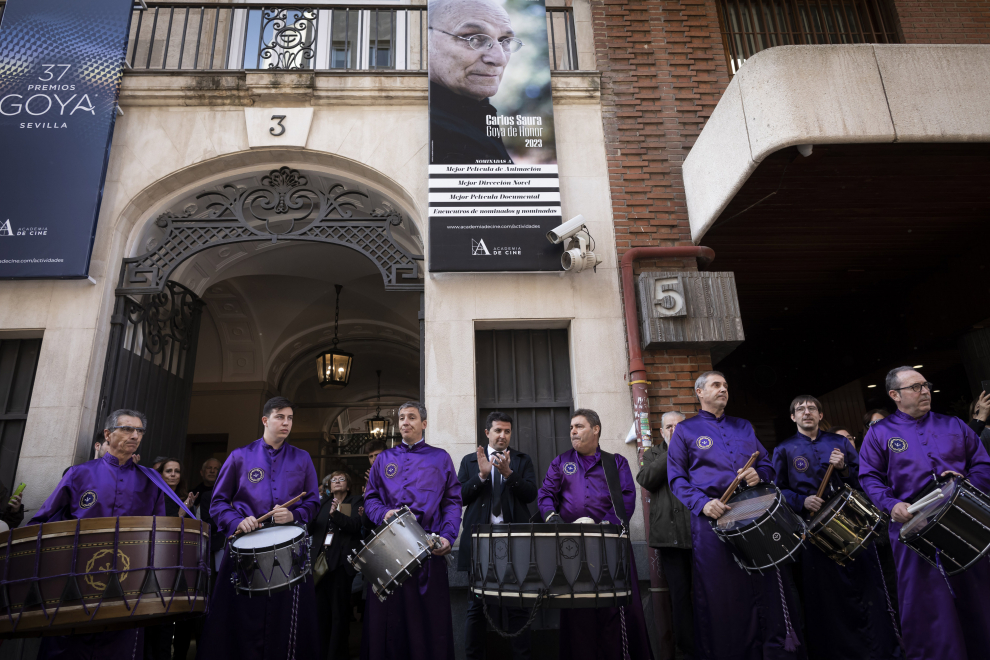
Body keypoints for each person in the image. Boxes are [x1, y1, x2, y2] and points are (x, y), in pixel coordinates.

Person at [30, 409, 192, 660]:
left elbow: (158, 532)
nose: (134, 435)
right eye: (127, 429)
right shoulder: (79, 473)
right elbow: (43, 521)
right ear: (108, 433)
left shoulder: (151, 481)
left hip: (128, 582)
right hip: (77, 581)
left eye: (139, 431)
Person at [667, 371, 804, 660]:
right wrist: (703, 503)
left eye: (726, 385)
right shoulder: (685, 430)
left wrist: (759, 474)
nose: (723, 389)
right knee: (723, 592)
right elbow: (676, 479)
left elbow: (767, 466)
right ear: (699, 392)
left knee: (765, 583)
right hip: (712, 520)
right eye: (716, 385)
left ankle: (773, 651)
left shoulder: (743, 426)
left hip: (753, 512)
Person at [859, 367, 990, 660]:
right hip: (912, 528)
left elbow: (983, 464)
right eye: (916, 387)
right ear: (895, 395)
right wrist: (890, 504)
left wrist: (966, 483)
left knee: (977, 595)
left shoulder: (954, 424)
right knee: (928, 603)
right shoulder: (880, 433)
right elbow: (869, 477)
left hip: (963, 521)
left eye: (926, 385)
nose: (925, 391)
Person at [773, 395, 900, 660]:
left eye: (812, 408)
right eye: (800, 409)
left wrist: (843, 469)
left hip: (852, 523)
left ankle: (877, 648)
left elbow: (864, 479)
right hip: (813, 532)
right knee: (826, 596)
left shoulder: (840, 443)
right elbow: (778, 491)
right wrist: (801, 500)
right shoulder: (784, 449)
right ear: (793, 417)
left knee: (865, 586)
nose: (806, 412)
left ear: (821, 415)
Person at [196, 397, 321, 660]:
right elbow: (218, 503)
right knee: (238, 616)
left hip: (289, 551)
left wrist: (295, 513)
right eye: (280, 417)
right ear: (265, 420)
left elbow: (313, 502)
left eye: (289, 418)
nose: (286, 423)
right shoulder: (239, 456)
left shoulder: (302, 457)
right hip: (244, 547)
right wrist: (236, 521)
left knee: (287, 619)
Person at [538, 409, 652, 660]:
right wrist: (552, 517)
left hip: (611, 546)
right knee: (578, 612)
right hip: (573, 550)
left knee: (617, 608)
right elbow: (546, 494)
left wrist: (602, 527)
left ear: (596, 429)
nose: (573, 432)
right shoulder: (560, 462)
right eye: (571, 428)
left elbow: (626, 498)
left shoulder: (616, 462)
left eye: (578, 426)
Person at [361, 401, 462, 660]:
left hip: (427, 551)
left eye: (412, 417)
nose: (405, 422)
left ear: (424, 424)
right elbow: (370, 499)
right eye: (402, 418)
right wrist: (383, 513)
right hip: (387, 553)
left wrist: (448, 536)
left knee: (427, 625)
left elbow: (452, 502)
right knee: (388, 625)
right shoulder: (383, 459)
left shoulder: (441, 458)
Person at [457, 411, 538, 660]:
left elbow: (531, 495)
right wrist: (481, 476)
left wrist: (509, 474)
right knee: (477, 608)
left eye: (507, 431)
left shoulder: (522, 460)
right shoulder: (471, 461)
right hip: (480, 542)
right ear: (487, 433)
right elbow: (459, 496)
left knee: (518, 607)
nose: (503, 435)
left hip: (515, 541)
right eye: (498, 431)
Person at [428, 0, 521, 164]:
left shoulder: (476, 115)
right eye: (473, 38)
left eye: (505, 40)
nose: (499, 59)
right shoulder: (423, 128)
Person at [636, 410, 694, 660]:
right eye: (669, 427)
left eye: (679, 426)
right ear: (662, 431)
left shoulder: (699, 450)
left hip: (699, 535)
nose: (674, 430)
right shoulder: (653, 454)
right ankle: (687, 648)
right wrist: (673, 449)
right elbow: (646, 479)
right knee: (679, 596)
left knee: (706, 592)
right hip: (669, 538)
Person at [311, 470, 363, 660]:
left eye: (342, 479)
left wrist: (336, 515)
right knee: (320, 612)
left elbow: (355, 526)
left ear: (348, 486)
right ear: (329, 486)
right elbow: (311, 528)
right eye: (334, 480)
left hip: (341, 564)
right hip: (320, 564)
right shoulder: (321, 503)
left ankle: (337, 655)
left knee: (339, 614)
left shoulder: (356, 501)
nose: (337, 482)